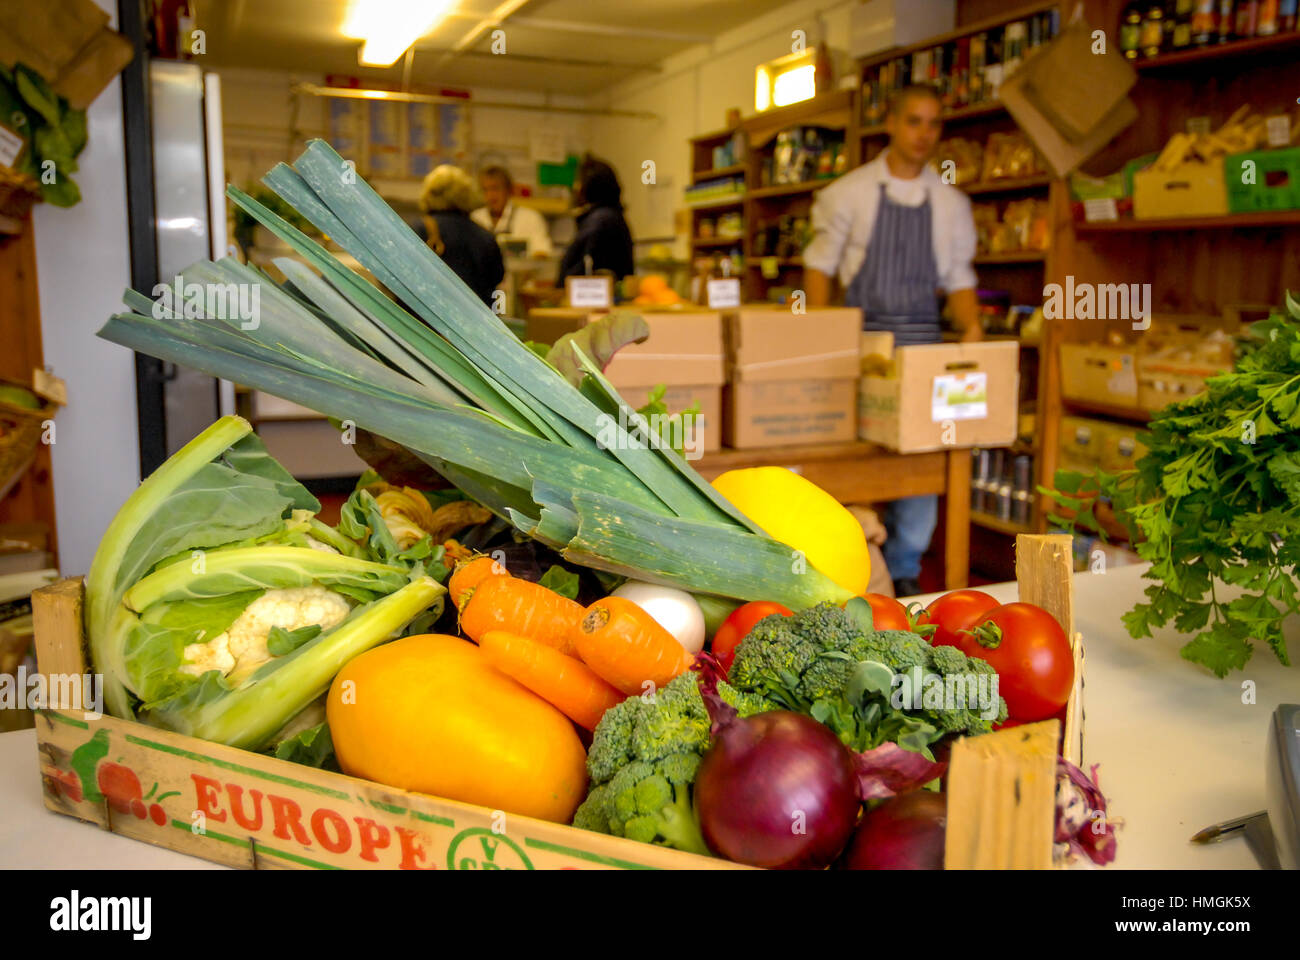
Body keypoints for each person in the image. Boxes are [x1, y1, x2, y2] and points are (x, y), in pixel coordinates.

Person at [803, 83, 981, 598]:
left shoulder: (951, 205)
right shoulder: (848, 193)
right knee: (856, 456)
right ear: (891, 124)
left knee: (924, 460)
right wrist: (821, 335)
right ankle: (845, 558)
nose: (924, 134)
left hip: (925, 350)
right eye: (914, 121)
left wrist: (971, 332)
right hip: (864, 348)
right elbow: (819, 268)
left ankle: (904, 570)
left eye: (933, 124)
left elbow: (959, 278)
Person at [415, 165, 504, 307]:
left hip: (425, 320)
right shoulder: (484, 236)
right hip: (474, 321)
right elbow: (496, 278)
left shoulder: (417, 231)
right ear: (466, 194)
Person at [557, 155, 634, 284]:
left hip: (592, 299)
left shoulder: (599, 222)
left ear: (587, 187)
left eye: (578, 181)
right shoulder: (612, 217)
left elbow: (578, 272)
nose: (575, 188)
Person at [471, 165, 554, 258]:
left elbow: (543, 253)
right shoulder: (475, 218)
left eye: (495, 188)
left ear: (508, 190)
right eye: (485, 190)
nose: (490, 195)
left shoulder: (531, 218)